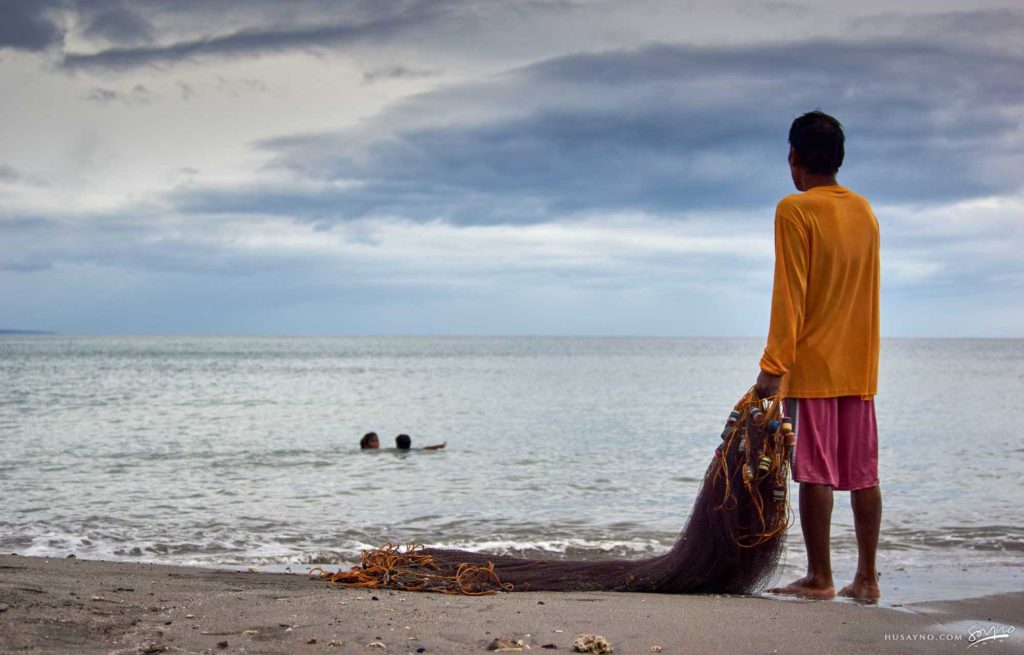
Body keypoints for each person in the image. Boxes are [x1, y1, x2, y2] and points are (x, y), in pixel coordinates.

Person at [755, 110, 882, 602]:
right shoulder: (864, 210)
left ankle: (820, 578)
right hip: (859, 366)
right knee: (863, 473)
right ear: (839, 160)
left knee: (814, 472)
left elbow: (791, 292)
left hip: (812, 367)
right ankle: (867, 579)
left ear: (794, 157)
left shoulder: (796, 208)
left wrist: (773, 365)